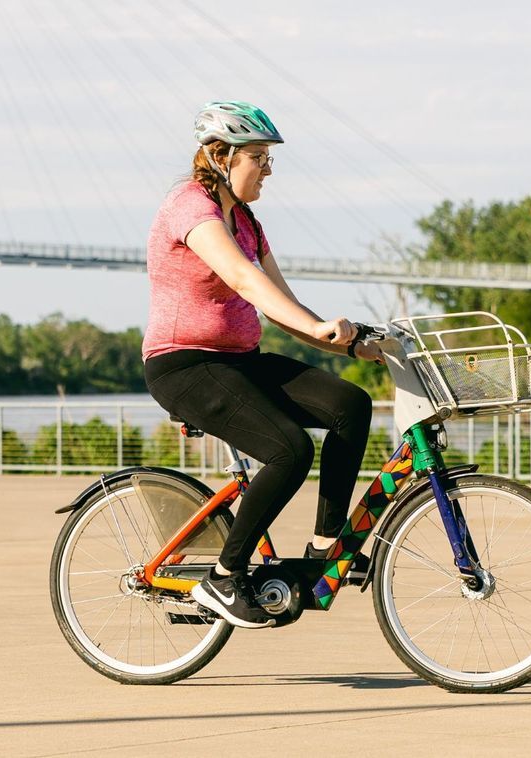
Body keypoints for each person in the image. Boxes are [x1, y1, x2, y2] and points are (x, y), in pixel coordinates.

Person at [141, 100, 381, 628]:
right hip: (184, 365)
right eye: (258, 157)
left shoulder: (247, 222)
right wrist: (320, 329)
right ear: (220, 155)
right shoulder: (189, 207)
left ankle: (325, 545)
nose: (268, 169)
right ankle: (224, 579)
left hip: (240, 361)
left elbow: (284, 305)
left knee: (350, 404)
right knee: (289, 449)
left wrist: (350, 345)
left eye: (269, 158)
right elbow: (245, 282)